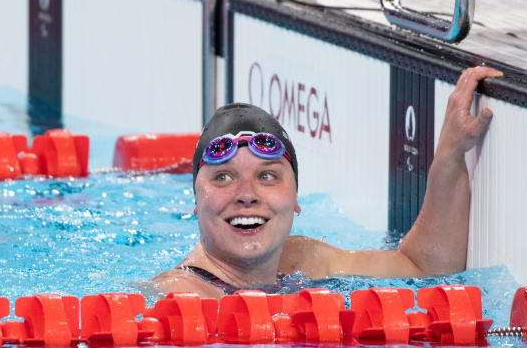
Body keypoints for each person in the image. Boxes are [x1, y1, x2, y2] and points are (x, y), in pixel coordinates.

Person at [152, 65, 502, 299]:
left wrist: (450, 154)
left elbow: (425, 269)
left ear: (296, 197)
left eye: (267, 176)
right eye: (223, 177)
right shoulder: (177, 297)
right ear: (196, 199)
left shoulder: (304, 260)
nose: (246, 195)